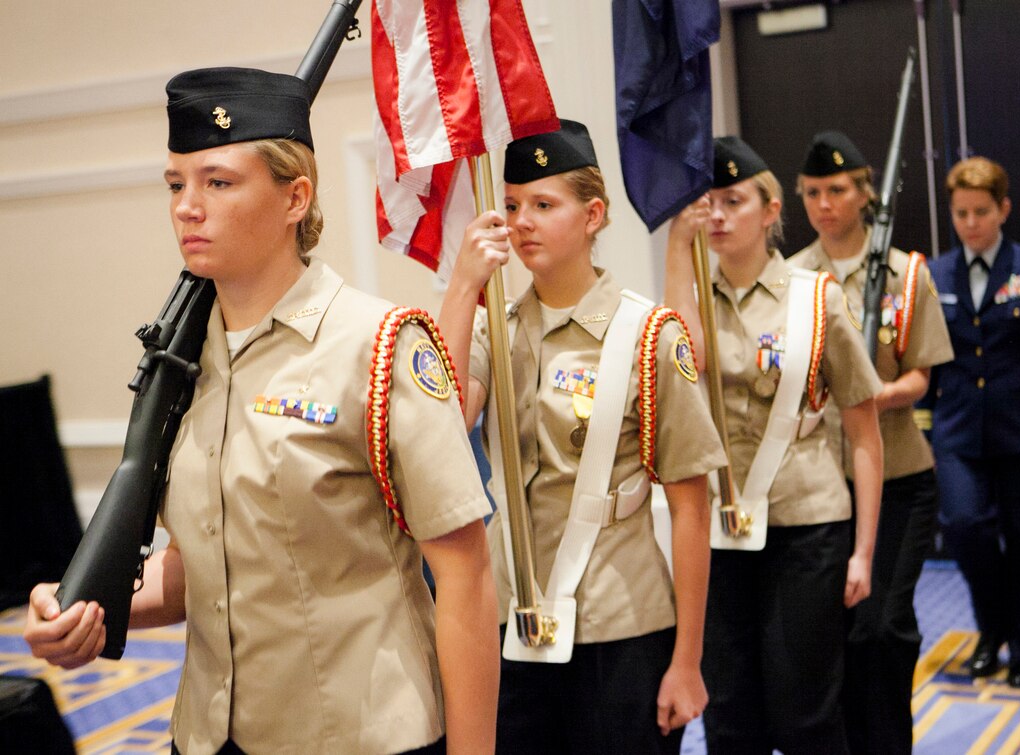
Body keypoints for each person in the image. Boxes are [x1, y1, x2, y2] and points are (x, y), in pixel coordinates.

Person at [23, 67, 500, 755]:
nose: (188, 206)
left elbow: (464, 576)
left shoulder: (380, 346)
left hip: (360, 736)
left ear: (294, 198)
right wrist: (76, 605)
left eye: (218, 181)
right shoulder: (180, 365)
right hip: (211, 737)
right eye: (176, 184)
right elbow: (201, 568)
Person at [439, 119, 726, 754]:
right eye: (512, 206)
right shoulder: (496, 329)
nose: (522, 223)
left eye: (545, 205)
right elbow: (445, 420)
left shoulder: (650, 335)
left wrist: (688, 660)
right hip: (510, 619)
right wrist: (462, 288)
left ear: (593, 215)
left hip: (620, 626)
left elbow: (690, 508)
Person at [665, 136, 884, 754]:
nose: (717, 215)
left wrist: (864, 551)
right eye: (706, 203)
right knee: (730, 716)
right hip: (718, 532)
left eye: (733, 201)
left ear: (769, 211)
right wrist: (676, 250)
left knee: (806, 712)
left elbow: (863, 432)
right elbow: (686, 367)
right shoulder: (688, 302)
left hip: (806, 524)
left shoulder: (817, 299)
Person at [791, 130, 953, 753]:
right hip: (822, 484)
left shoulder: (906, 275)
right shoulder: (791, 280)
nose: (824, 204)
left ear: (865, 194)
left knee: (883, 626)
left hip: (899, 479)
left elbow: (921, 375)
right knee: (840, 633)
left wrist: (871, 394)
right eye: (811, 192)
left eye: (836, 190)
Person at [917, 156, 1020, 688]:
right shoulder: (934, 274)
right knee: (965, 528)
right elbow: (926, 360)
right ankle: (993, 631)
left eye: (981, 211)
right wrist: (921, 433)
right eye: (961, 212)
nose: (971, 222)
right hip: (958, 432)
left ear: (1003, 209)